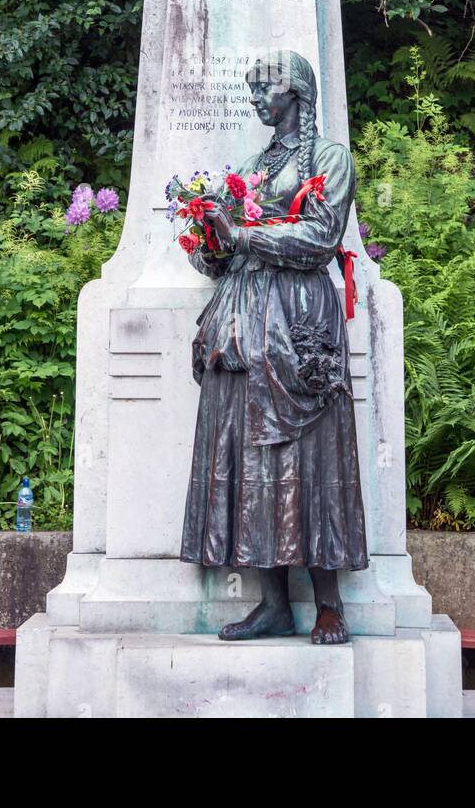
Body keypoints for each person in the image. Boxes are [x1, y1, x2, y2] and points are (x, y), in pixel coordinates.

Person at [179, 51, 368, 643]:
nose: (258, 98)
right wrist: (209, 236)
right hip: (240, 322)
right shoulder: (256, 167)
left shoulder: (331, 158)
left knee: (312, 457)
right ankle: (273, 603)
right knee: (250, 457)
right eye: (253, 90)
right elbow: (227, 255)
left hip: (297, 320)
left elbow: (319, 237)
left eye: (268, 88)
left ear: (300, 92)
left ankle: (330, 603)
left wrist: (246, 232)